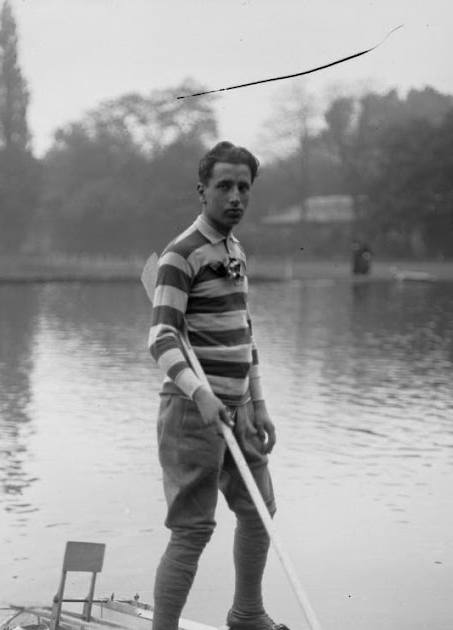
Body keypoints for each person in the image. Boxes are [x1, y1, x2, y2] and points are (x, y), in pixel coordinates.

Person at [146, 141, 286, 630]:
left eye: (243, 187)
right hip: (192, 412)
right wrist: (201, 395)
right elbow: (161, 339)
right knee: (192, 530)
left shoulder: (234, 250)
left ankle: (247, 614)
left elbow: (245, 335)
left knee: (260, 512)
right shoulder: (179, 255)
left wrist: (258, 403)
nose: (235, 197)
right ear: (202, 190)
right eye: (224, 186)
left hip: (239, 410)